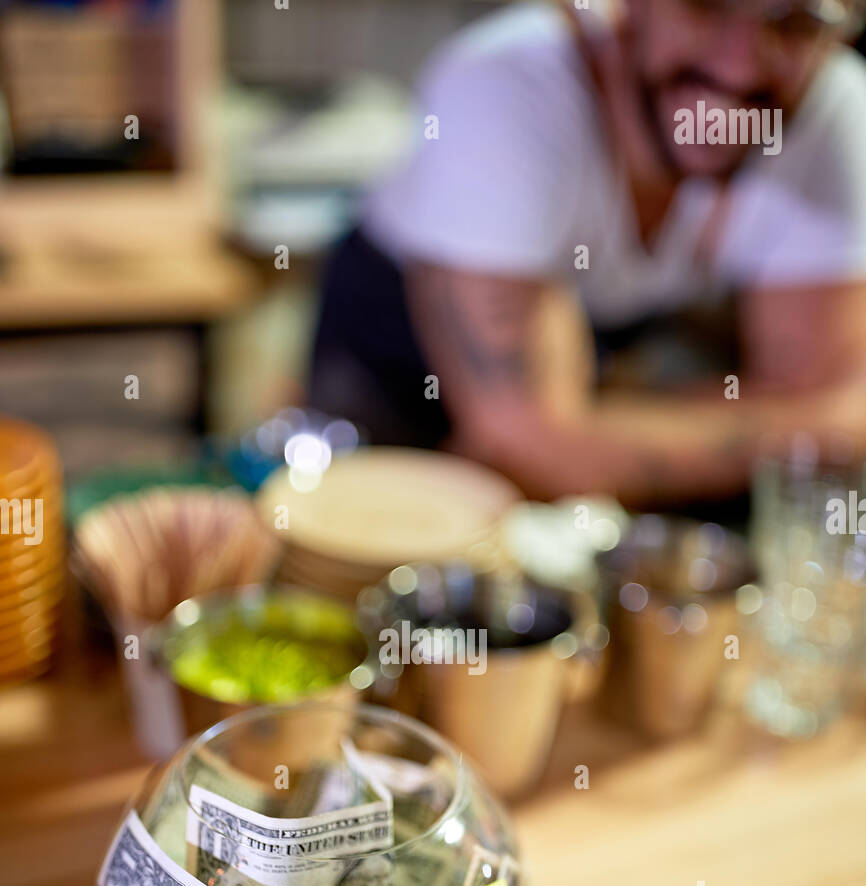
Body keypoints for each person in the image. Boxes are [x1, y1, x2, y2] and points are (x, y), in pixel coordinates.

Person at [308, 0, 866, 506]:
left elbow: (825, 399)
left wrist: (580, 444)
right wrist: (814, 428)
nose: (742, 65)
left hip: (593, 383)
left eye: (797, 20)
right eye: (706, 5)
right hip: (384, 392)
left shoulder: (833, 104)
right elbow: (527, 448)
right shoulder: (503, 84)